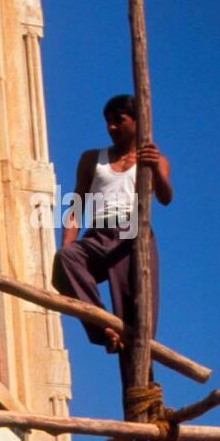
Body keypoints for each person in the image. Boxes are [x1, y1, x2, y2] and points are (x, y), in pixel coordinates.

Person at [51, 94, 172, 368]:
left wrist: (155, 169)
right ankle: (103, 326)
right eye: (108, 122)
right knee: (66, 260)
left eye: (119, 120)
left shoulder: (153, 159)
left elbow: (165, 197)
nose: (112, 127)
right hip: (98, 234)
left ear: (137, 122)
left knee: (137, 326)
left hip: (133, 238)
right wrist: (67, 244)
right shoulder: (93, 158)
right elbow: (77, 205)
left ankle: (140, 398)